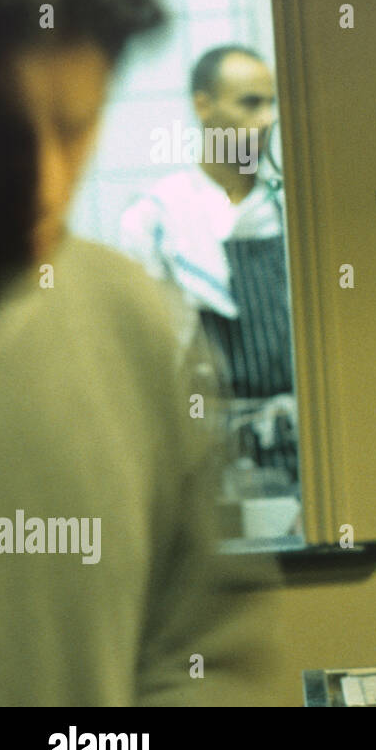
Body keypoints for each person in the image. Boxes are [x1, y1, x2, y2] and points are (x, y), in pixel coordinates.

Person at [0, 0, 280, 704]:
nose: (48, 187)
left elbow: (201, 649)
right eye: (7, 140)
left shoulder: (124, 316)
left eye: (76, 128)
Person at [120, 45, 299, 505]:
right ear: (203, 104)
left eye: (271, 103)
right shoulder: (160, 219)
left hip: (298, 452)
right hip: (205, 460)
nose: (266, 119)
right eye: (249, 103)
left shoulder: (290, 211)